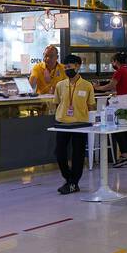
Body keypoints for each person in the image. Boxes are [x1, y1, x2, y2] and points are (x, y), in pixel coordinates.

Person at [52, 54, 95, 194]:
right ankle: (69, 178)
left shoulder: (87, 86)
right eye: (65, 67)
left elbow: (91, 106)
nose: (67, 69)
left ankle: (73, 183)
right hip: (62, 123)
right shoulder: (60, 85)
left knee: (78, 154)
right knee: (60, 153)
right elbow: (57, 103)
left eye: (69, 67)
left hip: (80, 124)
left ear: (77, 66)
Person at [96, 51, 127, 167]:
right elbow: (122, 87)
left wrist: (98, 88)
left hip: (120, 104)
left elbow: (111, 85)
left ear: (116, 61)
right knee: (125, 130)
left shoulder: (119, 71)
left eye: (112, 61)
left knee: (117, 129)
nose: (112, 64)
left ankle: (123, 156)